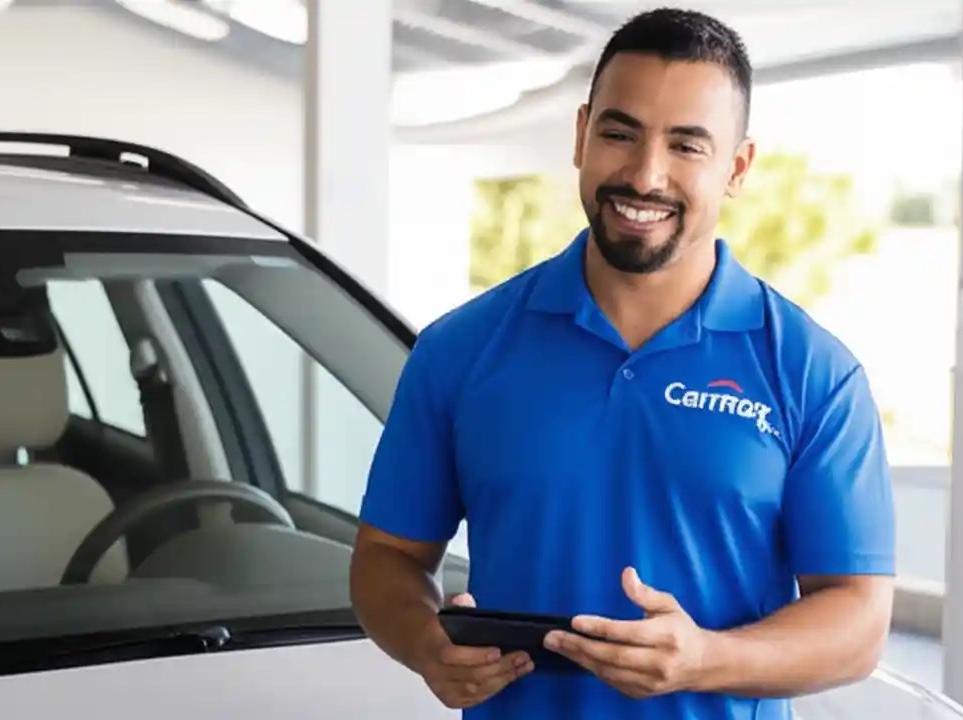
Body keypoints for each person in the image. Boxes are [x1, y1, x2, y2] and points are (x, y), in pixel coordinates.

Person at [350, 7, 895, 719]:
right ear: (581, 135)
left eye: (686, 146)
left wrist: (707, 659)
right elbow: (387, 557)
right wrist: (426, 644)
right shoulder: (460, 350)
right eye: (620, 133)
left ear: (736, 168)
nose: (645, 174)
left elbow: (857, 622)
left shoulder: (812, 373)